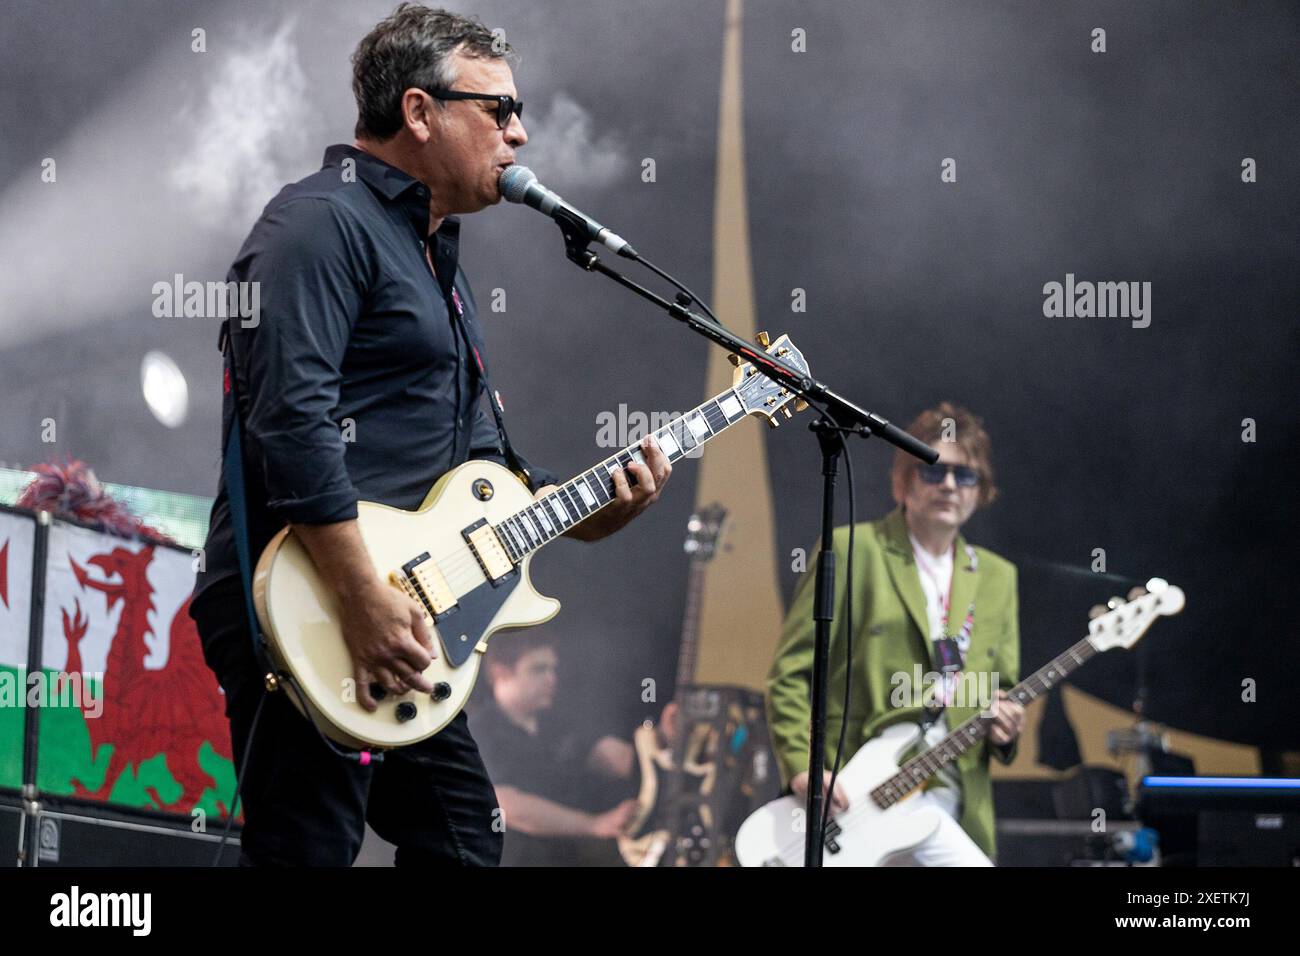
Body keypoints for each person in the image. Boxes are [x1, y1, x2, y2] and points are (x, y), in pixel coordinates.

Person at [188, 5, 671, 867]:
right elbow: (291, 421)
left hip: (394, 607)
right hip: (307, 599)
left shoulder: (433, 256)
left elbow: (479, 466)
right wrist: (361, 598)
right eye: (499, 110)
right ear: (419, 111)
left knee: (462, 841)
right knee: (307, 848)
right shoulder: (317, 225)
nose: (520, 134)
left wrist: (589, 508)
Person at [766, 402, 1023, 865]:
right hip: (856, 795)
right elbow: (790, 674)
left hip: (956, 796)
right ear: (902, 480)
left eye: (964, 476)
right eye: (933, 471)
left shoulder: (999, 577)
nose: (948, 485)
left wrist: (1005, 727)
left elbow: (1000, 685)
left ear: (980, 491)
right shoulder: (851, 550)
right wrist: (803, 765)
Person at [472, 630, 642, 866]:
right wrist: (595, 825)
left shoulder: (556, 723)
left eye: (553, 669)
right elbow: (508, 804)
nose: (551, 678)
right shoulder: (479, 729)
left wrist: (661, 740)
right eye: (538, 669)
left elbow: (614, 757)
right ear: (501, 672)